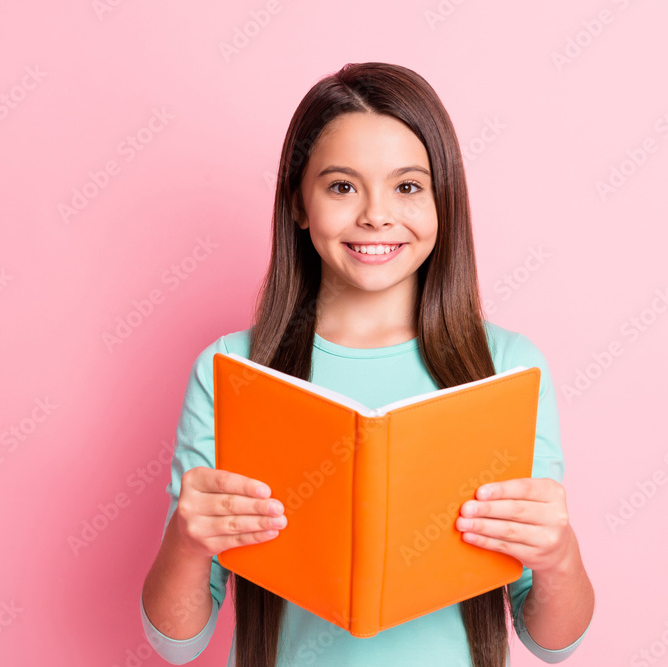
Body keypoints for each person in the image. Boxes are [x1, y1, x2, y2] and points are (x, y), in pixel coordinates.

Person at [140, 62, 594, 667]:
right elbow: (176, 641)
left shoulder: (506, 367)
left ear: (443, 202)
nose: (376, 215)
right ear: (299, 205)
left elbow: (553, 642)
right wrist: (187, 542)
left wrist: (558, 554)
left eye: (407, 187)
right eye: (342, 186)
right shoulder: (233, 368)